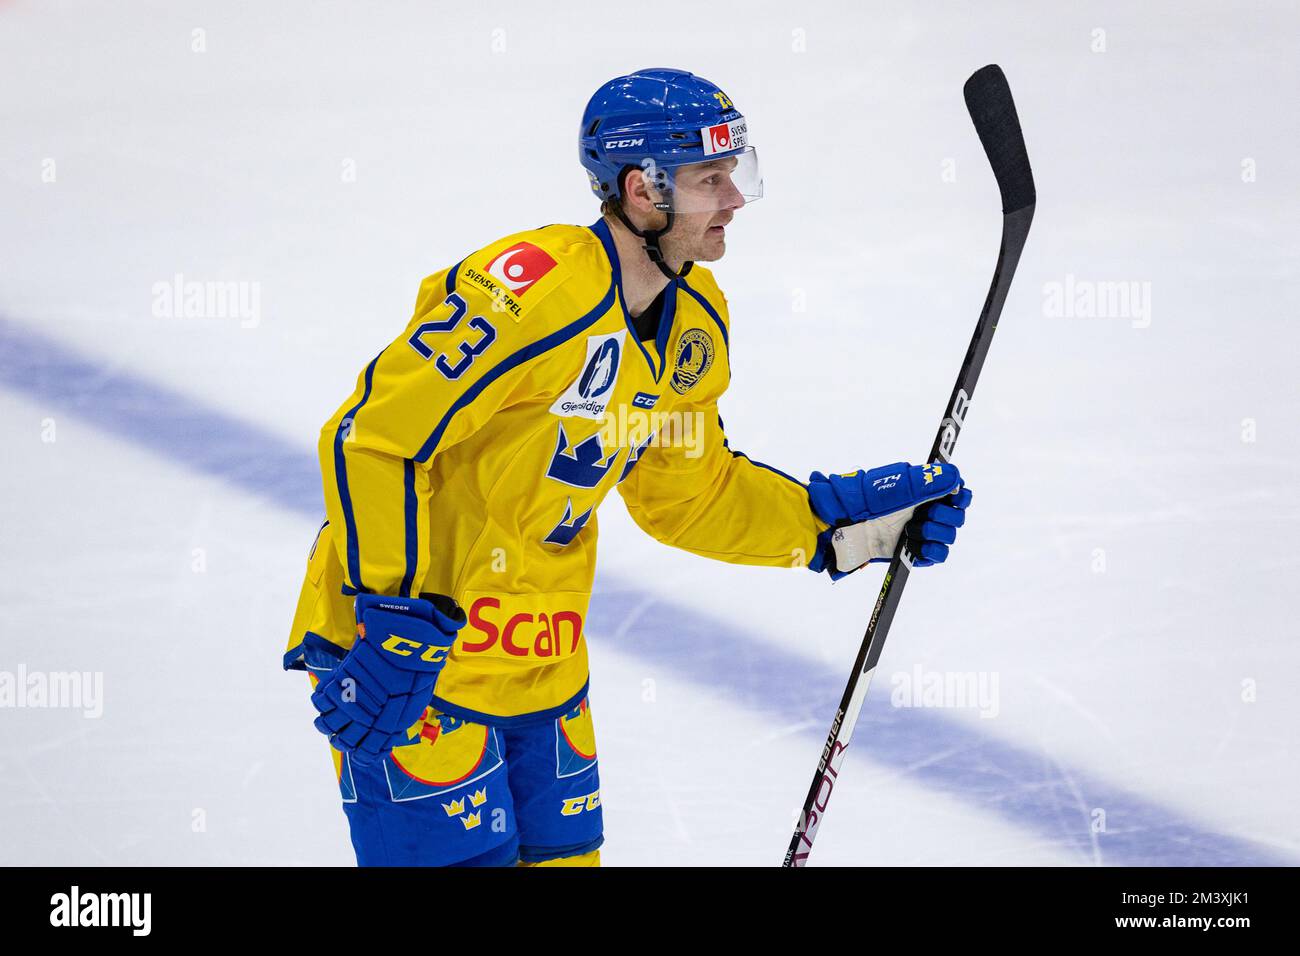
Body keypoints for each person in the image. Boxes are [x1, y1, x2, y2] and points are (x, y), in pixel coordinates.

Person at [283, 67, 973, 867]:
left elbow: (691, 496)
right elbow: (371, 439)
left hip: (540, 663)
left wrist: (836, 527)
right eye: (710, 178)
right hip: (407, 660)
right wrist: (395, 614)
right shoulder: (534, 290)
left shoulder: (694, 329)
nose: (735, 199)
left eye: (734, 172)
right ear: (644, 189)